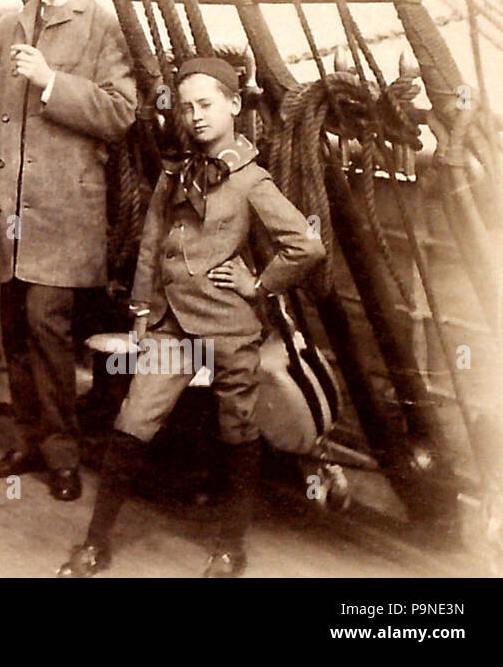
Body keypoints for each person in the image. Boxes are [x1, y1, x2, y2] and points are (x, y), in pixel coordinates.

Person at [58, 56, 326, 578]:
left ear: (233, 105)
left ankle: (230, 547)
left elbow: (306, 245)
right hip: (170, 326)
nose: (197, 116)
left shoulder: (252, 180)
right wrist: (141, 310)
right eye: (187, 107)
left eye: (207, 105)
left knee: (238, 430)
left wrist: (260, 284)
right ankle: (95, 543)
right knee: (132, 422)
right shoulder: (175, 172)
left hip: (230, 327)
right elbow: (152, 241)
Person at [0, 0, 137, 501]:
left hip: (63, 215)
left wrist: (50, 81)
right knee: (11, 326)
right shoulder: (11, 25)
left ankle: (63, 453)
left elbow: (120, 112)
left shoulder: (102, 26)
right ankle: (29, 443)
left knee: (45, 326)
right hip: (5, 212)